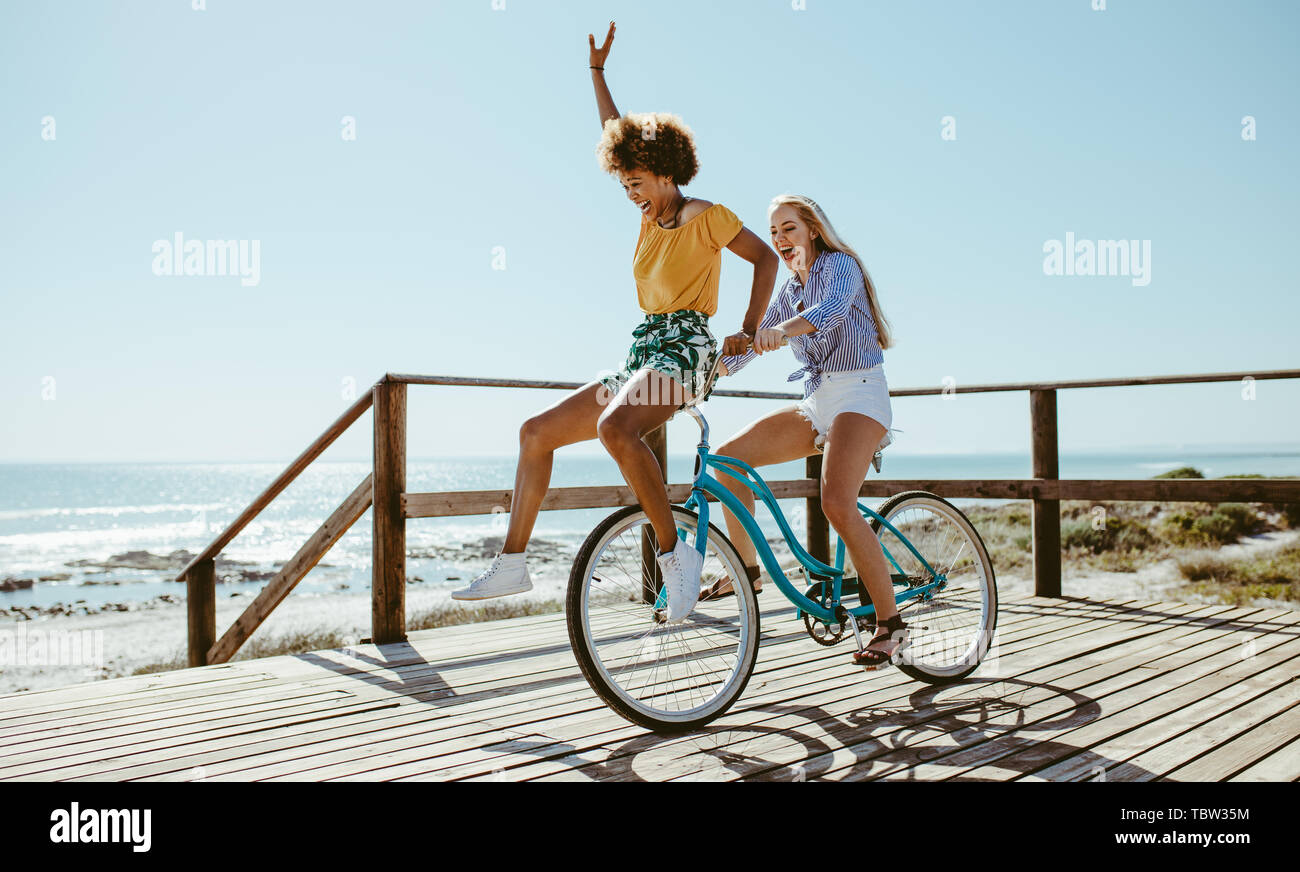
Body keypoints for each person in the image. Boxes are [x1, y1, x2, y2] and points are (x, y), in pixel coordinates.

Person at [451, 21, 779, 624]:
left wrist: (749, 326)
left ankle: (676, 556)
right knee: (534, 432)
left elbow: (765, 258)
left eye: (637, 184)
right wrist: (597, 74)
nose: (632, 195)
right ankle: (514, 562)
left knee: (615, 428)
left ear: (664, 171)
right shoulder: (651, 219)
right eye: (625, 185)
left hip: (686, 350)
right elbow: (617, 133)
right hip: (644, 351)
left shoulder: (708, 215)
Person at [711, 194, 906, 668]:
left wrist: (786, 330)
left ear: (813, 230)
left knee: (836, 502)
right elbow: (751, 345)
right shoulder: (789, 288)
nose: (780, 240)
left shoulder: (841, 266)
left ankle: (890, 624)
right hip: (818, 401)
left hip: (861, 393)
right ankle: (748, 570)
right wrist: (708, 372)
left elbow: (831, 311)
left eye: (789, 229)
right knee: (727, 460)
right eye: (774, 232)